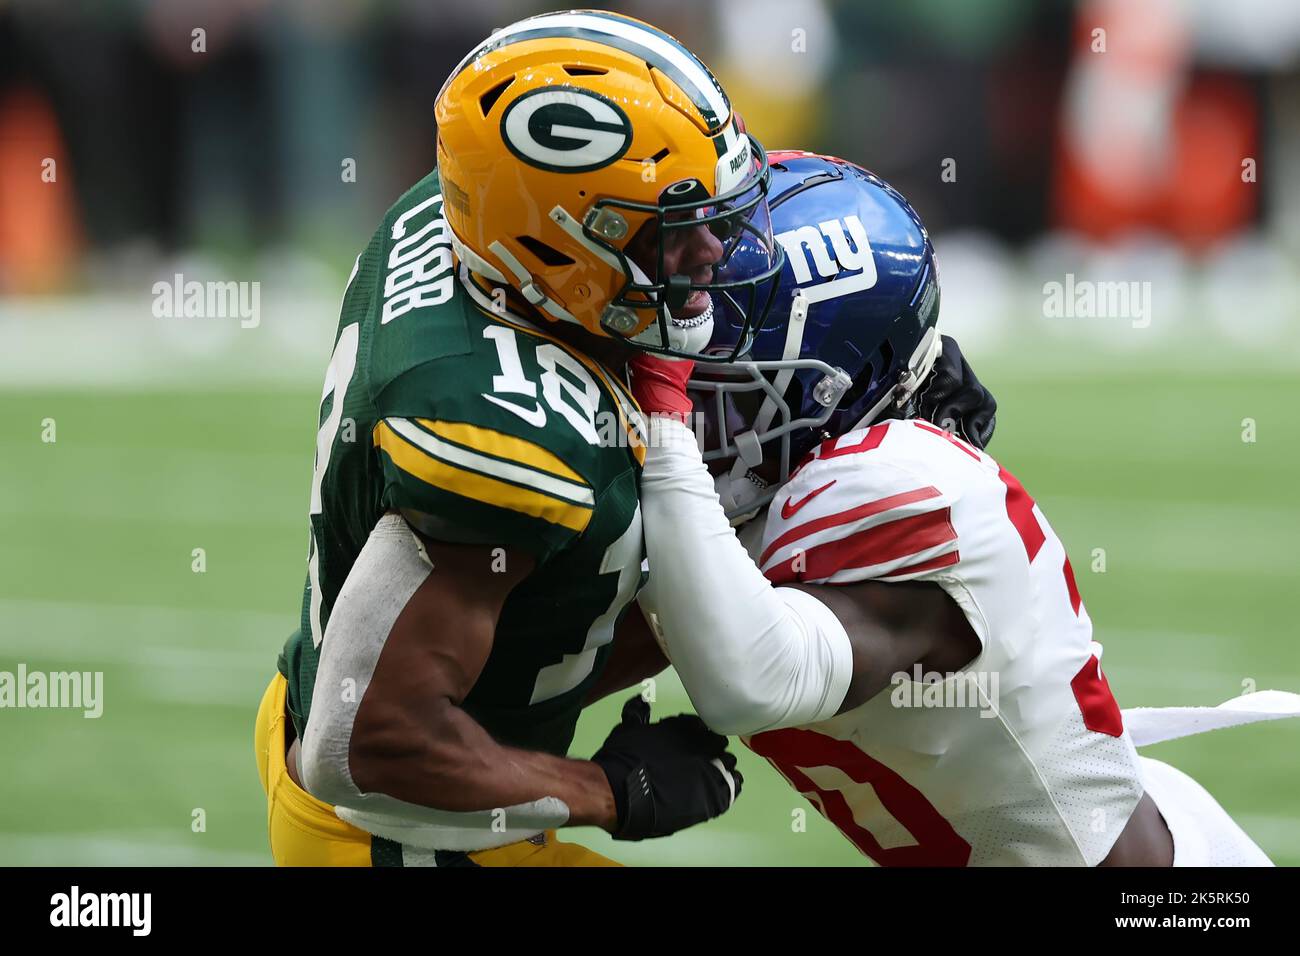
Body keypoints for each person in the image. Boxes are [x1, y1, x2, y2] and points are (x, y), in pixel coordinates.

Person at [628, 151, 1296, 865]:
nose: (691, 403)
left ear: (828, 386)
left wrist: (664, 424)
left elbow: (752, 681)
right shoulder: (784, 490)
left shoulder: (894, 482)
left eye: (711, 383)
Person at [252, 10, 787, 867]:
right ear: (561, 234)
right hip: (409, 833)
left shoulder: (474, 220)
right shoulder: (503, 433)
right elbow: (363, 743)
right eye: (670, 228)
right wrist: (608, 793)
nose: (710, 251)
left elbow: (553, 603)